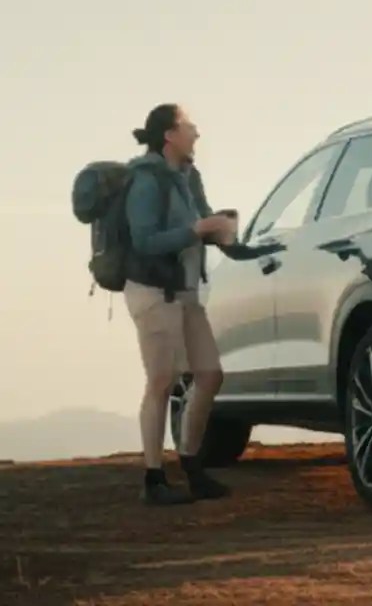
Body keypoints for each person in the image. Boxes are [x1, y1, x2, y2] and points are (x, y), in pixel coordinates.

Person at [124, 103, 238, 505]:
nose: (197, 133)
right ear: (169, 135)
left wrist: (224, 233)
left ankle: (190, 463)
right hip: (154, 292)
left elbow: (203, 223)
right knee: (161, 381)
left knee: (209, 374)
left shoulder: (191, 176)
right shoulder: (145, 180)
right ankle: (154, 479)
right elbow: (145, 241)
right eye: (190, 126)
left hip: (187, 293)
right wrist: (196, 229)